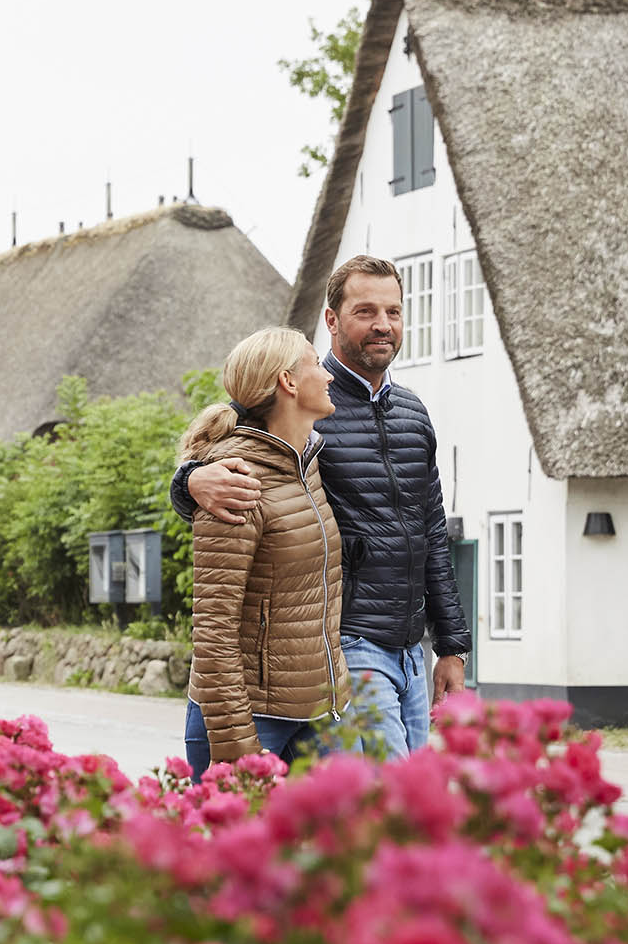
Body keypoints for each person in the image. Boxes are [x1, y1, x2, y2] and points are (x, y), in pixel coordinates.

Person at [172, 256, 469, 760]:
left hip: (409, 648)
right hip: (347, 643)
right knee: (387, 804)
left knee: (415, 801)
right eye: (366, 311)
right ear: (331, 320)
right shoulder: (306, 412)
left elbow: (432, 531)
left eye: (394, 312)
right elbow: (231, 443)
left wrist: (452, 645)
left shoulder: (414, 414)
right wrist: (190, 480)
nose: (383, 324)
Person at [181, 326, 353, 774]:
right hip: (250, 721)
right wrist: (238, 750)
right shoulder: (234, 479)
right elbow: (214, 631)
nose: (329, 374)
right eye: (316, 363)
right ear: (288, 381)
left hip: (319, 710)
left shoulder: (305, 465)